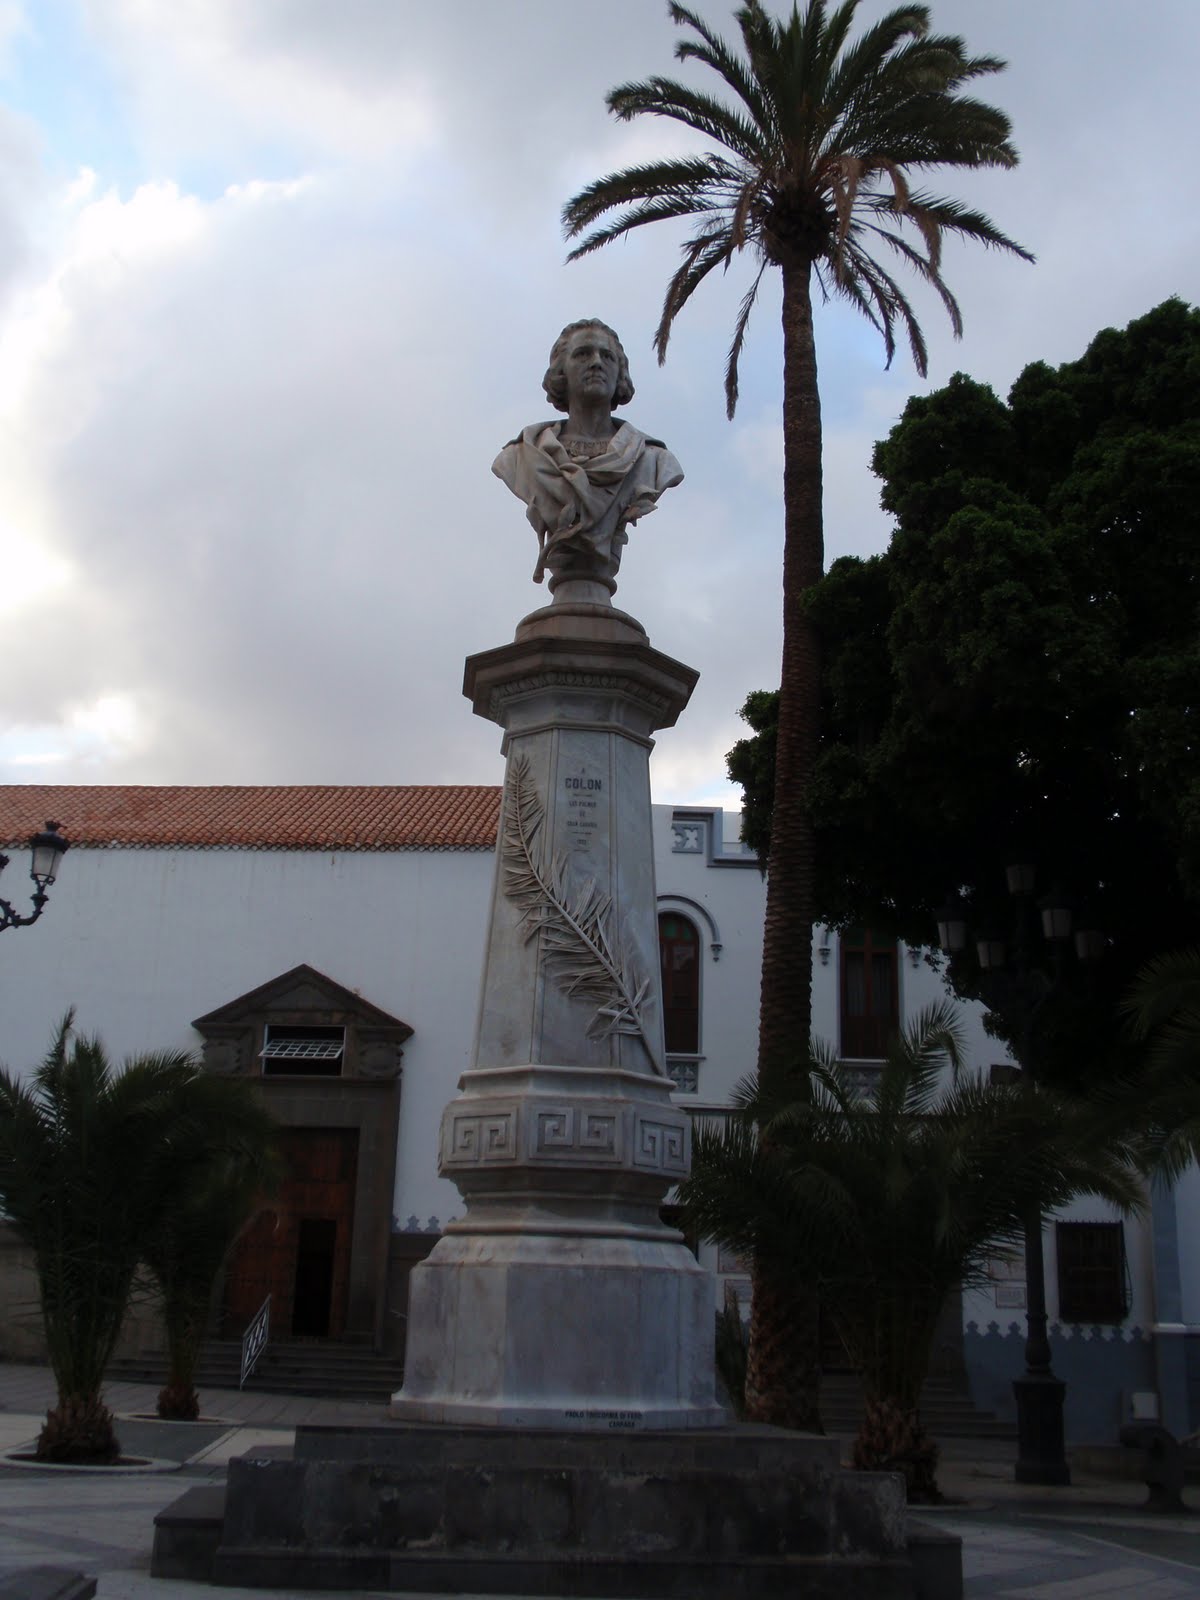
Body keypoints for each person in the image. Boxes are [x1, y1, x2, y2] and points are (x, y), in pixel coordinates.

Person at [493, 319, 683, 597]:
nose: (596, 363)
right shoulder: (522, 456)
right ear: (561, 371)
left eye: (606, 356)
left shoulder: (652, 461)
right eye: (583, 354)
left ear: (620, 373)